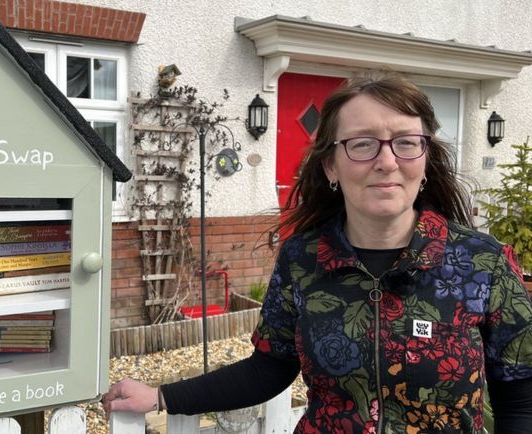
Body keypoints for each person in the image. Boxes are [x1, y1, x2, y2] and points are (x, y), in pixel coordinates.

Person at [102, 74, 532, 433]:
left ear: (423, 160)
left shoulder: (482, 263)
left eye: (405, 141)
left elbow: (521, 400)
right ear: (331, 166)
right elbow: (268, 369)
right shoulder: (303, 259)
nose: (386, 161)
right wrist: (162, 395)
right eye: (362, 144)